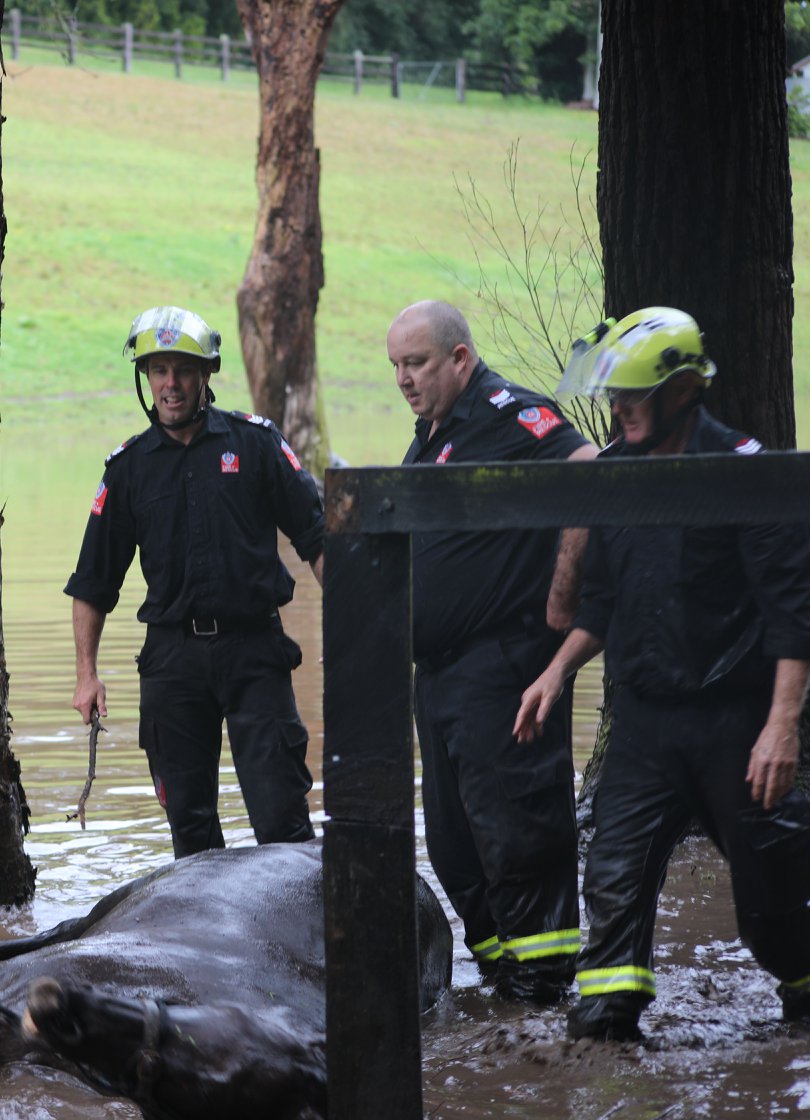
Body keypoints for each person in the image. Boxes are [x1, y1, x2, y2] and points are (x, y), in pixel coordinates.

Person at [516, 306, 810, 1041]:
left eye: (632, 396)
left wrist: (781, 729)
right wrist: (556, 673)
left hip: (738, 723)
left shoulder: (749, 474)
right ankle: (605, 1039)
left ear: (685, 389)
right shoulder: (616, 476)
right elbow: (597, 605)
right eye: (613, 395)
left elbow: (794, 624)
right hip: (645, 726)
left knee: (771, 914)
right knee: (613, 882)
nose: (617, 409)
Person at [388, 300, 598, 1004]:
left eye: (415, 363)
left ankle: (542, 992)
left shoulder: (508, 412)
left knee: (518, 834)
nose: (404, 379)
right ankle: (504, 980)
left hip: (502, 665)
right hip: (439, 676)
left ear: (460, 359)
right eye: (396, 366)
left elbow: (589, 472)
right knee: (452, 844)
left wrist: (562, 596)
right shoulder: (432, 433)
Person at [65, 305, 325, 858]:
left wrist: (354, 631)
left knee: (283, 823)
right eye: (158, 370)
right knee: (191, 831)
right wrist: (86, 675)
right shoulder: (129, 469)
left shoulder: (256, 444)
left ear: (206, 374)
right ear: (146, 379)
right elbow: (93, 581)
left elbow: (318, 538)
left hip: (255, 650)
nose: (171, 384)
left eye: (183, 369)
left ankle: (305, 943)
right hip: (172, 663)